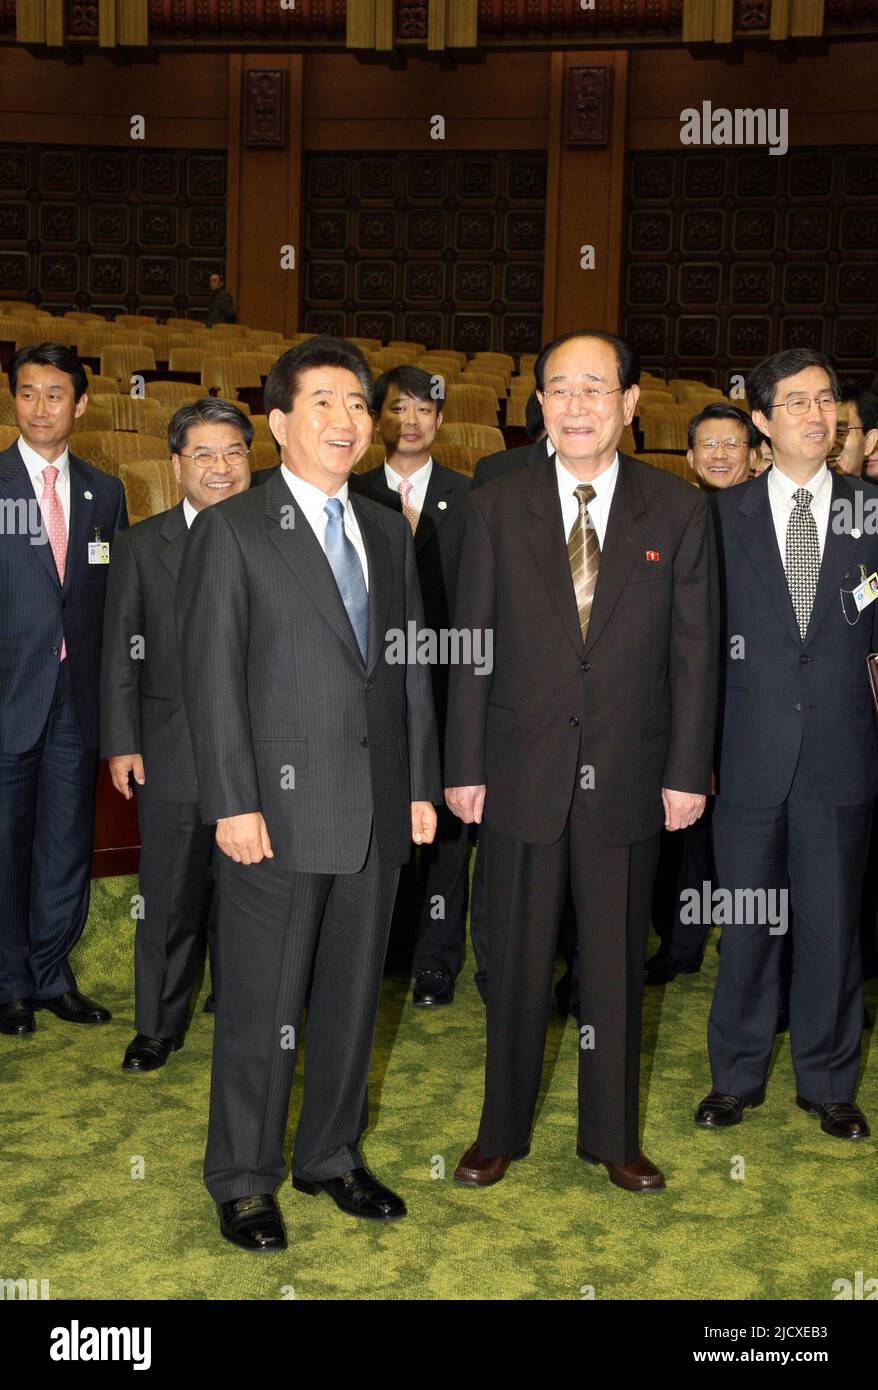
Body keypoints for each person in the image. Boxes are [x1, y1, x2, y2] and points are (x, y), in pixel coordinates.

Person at [176, 336, 441, 1251]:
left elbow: (405, 665)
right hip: (275, 816)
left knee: (351, 997)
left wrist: (417, 783)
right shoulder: (232, 530)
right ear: (279, 421)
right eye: (322, 402)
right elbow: (211, 681)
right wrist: (233, 803)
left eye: (359, 404)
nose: (347, 419)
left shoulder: (385, 529)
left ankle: (330, 1154)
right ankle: (243, 1178)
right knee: (260, 1004)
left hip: (374, 807)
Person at [445, 330, 718, 1193]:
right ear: (539, 404)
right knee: (517, 967)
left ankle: (612, 1137)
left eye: (595, 389)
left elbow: (695, 656)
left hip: (632, 777)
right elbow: (471, 649)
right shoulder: (496, 505)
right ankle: (500, 1133)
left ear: (630, 405)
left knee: (613, 973)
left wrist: (686, 771)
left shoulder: (678, 512)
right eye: (558, 389)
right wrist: (463, 764)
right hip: (520, 774)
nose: (574, 407)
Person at [696, 348, 877, 1140]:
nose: (816, 413)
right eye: (796, 402)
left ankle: (829, 1082)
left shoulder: (871, 510)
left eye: (827, 399)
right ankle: (734, 1077)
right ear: (762, 423)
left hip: (842, 751)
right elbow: (692, 648)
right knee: (745, 925)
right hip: (745, 757)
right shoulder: (717, 518)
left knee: (833, 928)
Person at [100, 399, 253, 1073]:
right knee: (168, 895)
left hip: (263, 756)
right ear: (176, 465)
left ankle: (245, 1007)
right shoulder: (140, 544)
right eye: (204, 455)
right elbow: (119, 655)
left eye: (233, 453)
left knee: (253, 891)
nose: (220, 468)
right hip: (172, 746)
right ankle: (156, 1026)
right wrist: (123, 740)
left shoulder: (278, 536)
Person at [0, 343, 127, 1037]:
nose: (40, 406)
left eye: (55, 394)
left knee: (63, 846)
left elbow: (109, 598)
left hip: (76, 701)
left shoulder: (104, 492)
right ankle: (8, 981)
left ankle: (51, 975)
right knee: (5, 845)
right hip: (7, 700)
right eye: (27, 392)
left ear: (80, 404)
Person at [350, 366, 470, 1007]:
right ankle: (386, 949)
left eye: (425, 409)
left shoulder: (469, 495)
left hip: (448, 687)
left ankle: (435, 961)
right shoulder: (352, 489)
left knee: (446, 832)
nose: (412, 420)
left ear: (440, 419)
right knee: (379, 818)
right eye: (398, 408)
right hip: (371, 686)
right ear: (377, 418)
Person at [646, 403, 760, 986]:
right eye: (707, 445)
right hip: (683, 700)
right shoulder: (672, 516)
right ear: (688, 457)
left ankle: (753, 956)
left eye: (731, 445)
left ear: (754, 454)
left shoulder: (772, 520)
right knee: (683, 832)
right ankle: (679, 943)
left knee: (746, 838)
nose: (719, 454)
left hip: (751, 706)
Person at [829, 380, 878, 479]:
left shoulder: (870, 493)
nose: (830, 444)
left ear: (869, 442)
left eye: (840, 431)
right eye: (821, 433)